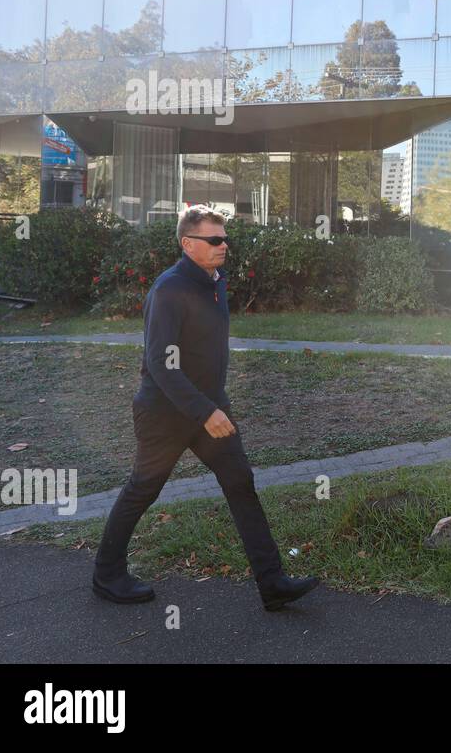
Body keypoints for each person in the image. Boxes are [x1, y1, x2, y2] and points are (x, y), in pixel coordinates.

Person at [92, 205, 320, 611]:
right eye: (214, 240)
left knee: (240, 483)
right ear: (188, 244)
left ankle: (272, 584)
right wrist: (205, 411)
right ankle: (107, 576)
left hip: (209, 409)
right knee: (143, 489)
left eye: (225, 237)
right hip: (165, 413)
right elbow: (162, 363)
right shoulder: (169, 289)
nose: (223, 245)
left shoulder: (215, 282)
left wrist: (214, 405)